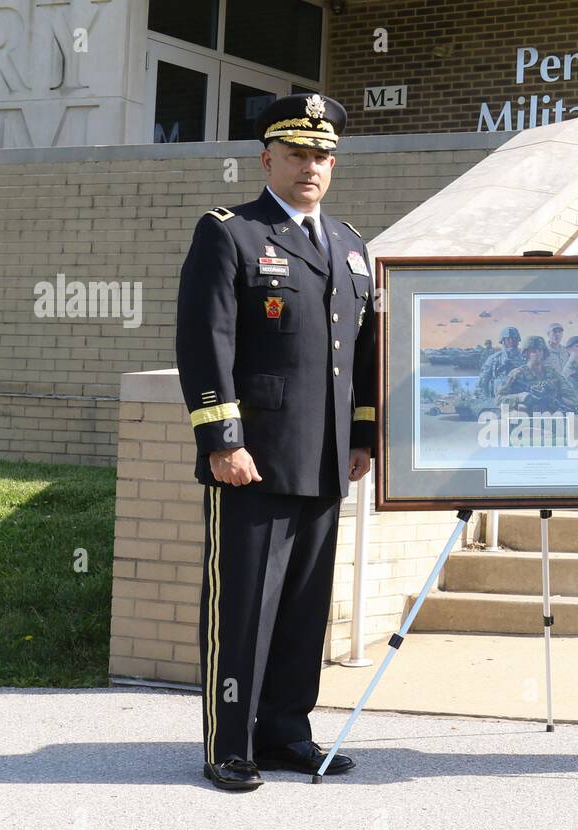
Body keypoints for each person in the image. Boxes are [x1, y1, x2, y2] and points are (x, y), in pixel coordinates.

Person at [175, 93, 376, 791]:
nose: (311, 167)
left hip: (323, 461)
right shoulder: (230, 232)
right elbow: (208, 344)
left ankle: (288, 732)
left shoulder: (350, 245)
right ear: (268, 159)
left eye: (322, 156)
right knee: (244, 607)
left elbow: (364, 353)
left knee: (303, 609)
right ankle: (229, 743)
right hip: (252, 460)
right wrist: (221, 440)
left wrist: (364, 437)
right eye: (297, 155)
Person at [497, 335, 578, 413]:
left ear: (544, 352)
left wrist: (554, 399)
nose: (537, 353)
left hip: (550, 418)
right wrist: (520, 397)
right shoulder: (517, 374)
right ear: (526, 353)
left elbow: (573, 398)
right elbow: (499, 399)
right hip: (524, 419)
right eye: (533, 350)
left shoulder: (553, 373)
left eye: (540, 350)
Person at [476, 326, 524, 398]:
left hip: (521, 398)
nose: (511, 341)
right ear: (503, 341)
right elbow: (484, 379)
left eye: (514, 339)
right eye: (508, 339)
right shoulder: (494, 358)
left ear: (518, 341)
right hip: (499, 397)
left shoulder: (525, 359)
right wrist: (486, 397)